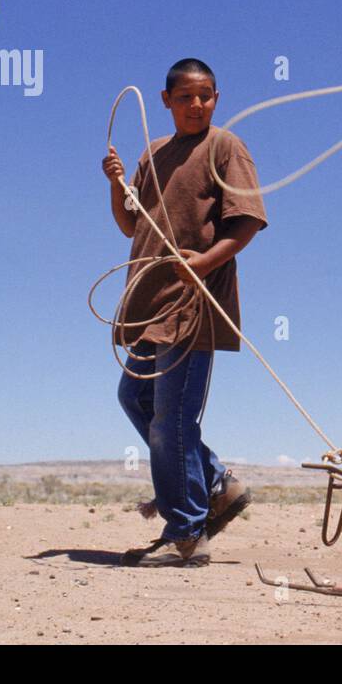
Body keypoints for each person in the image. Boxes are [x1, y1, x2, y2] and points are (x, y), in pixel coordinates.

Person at [101, 58, 268, 567]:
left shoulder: (225, 146)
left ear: (217, 97)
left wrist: (204, 262)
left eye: (206, 96)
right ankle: (215, 482)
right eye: (186, 97)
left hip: (194, 301)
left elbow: (246, 224)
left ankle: (188, 535)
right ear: (166, 100)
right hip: (150, 300)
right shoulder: (153, 153)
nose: (197, 105)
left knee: (172, 417)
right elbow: (131, 226)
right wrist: (115, 183)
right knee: (135, 398)